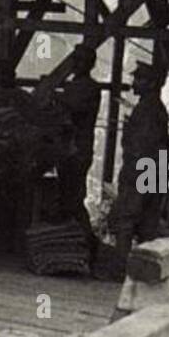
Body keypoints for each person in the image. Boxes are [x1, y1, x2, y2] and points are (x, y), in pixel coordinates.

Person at [111, 60, 169, 278]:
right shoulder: (155, 108)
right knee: (147, 224)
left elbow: (140, 146)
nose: (134, 82)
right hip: (154, 172)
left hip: (140, 171)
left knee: (126, 220)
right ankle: (144, 272)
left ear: (152, 83)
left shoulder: (147, 110)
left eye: (139, 79)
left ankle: (120, 270)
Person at [56, 45, 101, 229]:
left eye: (79, 60)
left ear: (88, 64)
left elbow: (73, 108)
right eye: (74, 59)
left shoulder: (89, 88)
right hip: (69, 148)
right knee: (67, 196)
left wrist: (54, 96)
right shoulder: (76, 85)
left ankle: (86, 241)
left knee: (73, 199)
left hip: (78, 149)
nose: (75, 64)